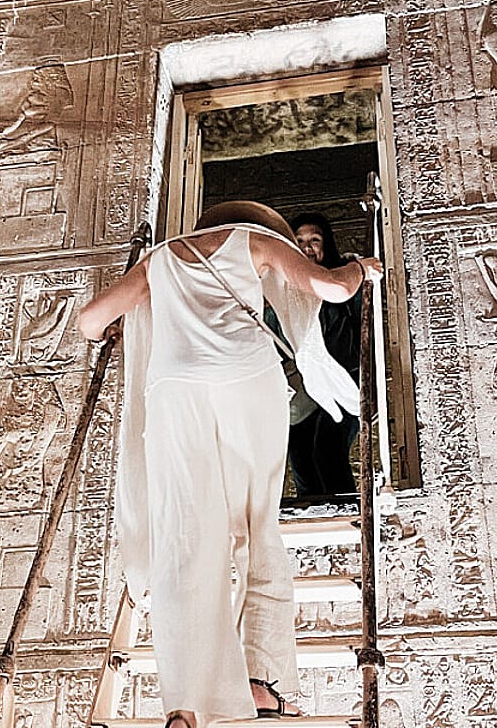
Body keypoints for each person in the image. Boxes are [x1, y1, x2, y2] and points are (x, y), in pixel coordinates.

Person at [78, 201, 383, 728]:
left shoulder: (161, 257)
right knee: (254, 526)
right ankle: (259, 683)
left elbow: (89, 322)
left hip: (174, 396)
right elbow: (331, 288)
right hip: (246, 386)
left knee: (185, 540)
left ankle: (183, 706)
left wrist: (126, 329)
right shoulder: (254, 242)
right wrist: (361, 268)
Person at [287, 213, 362, 497]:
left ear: (325, 244)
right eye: (300, 241)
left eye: (314, 240)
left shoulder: (342, 274)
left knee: (327, 446)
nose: (307, 247)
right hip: (303, 385)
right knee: (300, 453)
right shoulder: (285, 285)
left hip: (344, 377)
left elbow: (361, 324)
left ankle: (345, 512)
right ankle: (312, 514)